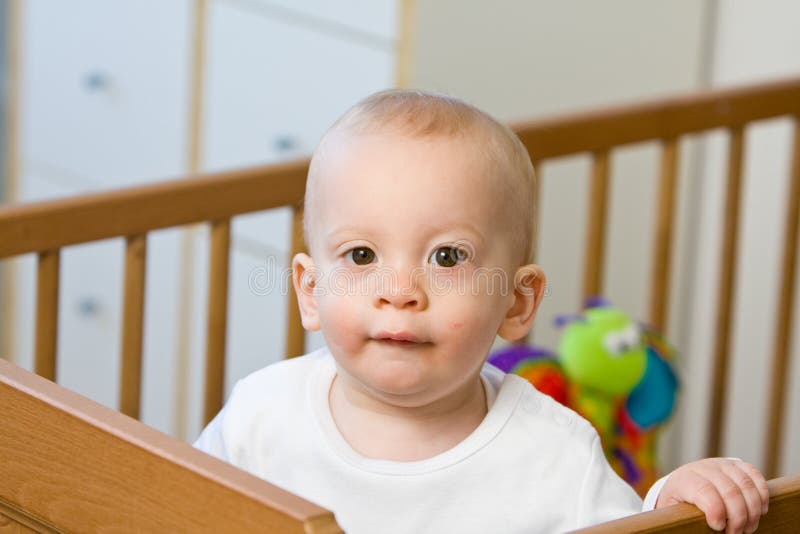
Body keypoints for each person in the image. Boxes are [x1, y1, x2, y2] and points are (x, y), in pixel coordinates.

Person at [194, 90, 768, 533]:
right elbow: (171, 511)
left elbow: (627, 529)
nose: (400, 291)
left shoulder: (554, 454)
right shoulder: (260, 416)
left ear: (517, 303)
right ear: (310, 289)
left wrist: (671, 504)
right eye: (362, 255)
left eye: (447, 257)